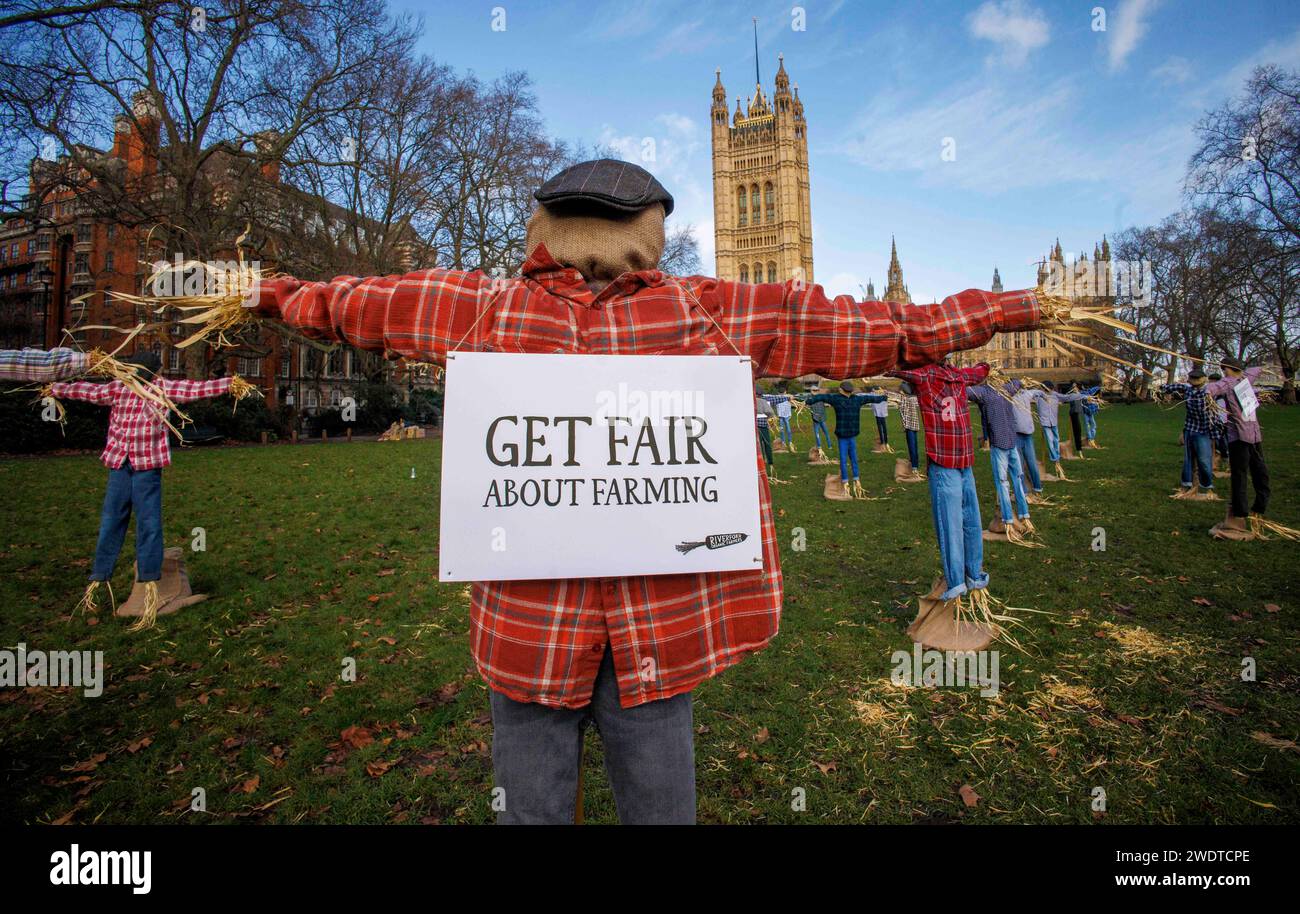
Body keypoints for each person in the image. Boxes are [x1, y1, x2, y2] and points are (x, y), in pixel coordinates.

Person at [220, 158, 1044, 824]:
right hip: (649, 633)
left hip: (545, 637)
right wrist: (1009, 309)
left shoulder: (481, 307)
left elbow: (351, 305)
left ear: (543, 229)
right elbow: (882, 329)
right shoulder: (706, 310)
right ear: (650, 232)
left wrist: (257, 293)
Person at [48, 352, 237, 628]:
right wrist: (57, 388)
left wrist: (230, 384)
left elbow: (194, 389)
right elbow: (88, 391)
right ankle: (100, 576)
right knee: (112, 519)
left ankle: (149, 581)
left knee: (149, 522)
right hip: (120, 463)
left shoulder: (162, 389)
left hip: (147, 466)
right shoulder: (119, 389)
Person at [890, 361, 990, 603]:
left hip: (943, 462)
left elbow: (892, 368)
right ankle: (974, 576)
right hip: (965, 459)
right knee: (972, 523)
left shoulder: (924, 375)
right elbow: (982, 371)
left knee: (950, 528)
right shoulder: (960, 375)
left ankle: (956, 583)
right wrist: (985, 364)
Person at [1206, 358, 1270, 536]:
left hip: (1242, 438)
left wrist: (1207, 391)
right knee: (1259, 473)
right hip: (1252, 437)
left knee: (1241, 475)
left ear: (1227, 369)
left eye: (1224, 369)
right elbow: (1255, 370)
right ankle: (1254, 507)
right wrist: (1265, 368)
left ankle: (1244, 510)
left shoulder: (1229, 381)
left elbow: (1210, 389)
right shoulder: (1246, 379)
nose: (1224, 372)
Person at [968, 379, 1034, 540]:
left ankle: (1008, 521)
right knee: (1018, 480)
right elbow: (1018, 382)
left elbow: (965, 390)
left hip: (999, 443)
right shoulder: (1007, 389)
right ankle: (1025, 516)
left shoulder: (983, 392)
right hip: (1012, 441)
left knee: (1002, 483)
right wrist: (1020, 381)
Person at [803, 381, 887, 497]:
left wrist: (808, 401)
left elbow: (822, 397)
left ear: (841, 390)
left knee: (843, 460)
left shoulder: (836, 399)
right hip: (852, 434)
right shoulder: (857, 399)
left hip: (842, 436)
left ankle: (845, 484)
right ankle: (857, 482)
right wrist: (884, 397)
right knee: (854, 459)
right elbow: (870, 398)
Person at [1159, 368, 1217, 499]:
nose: (1194, 381)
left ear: (1203, 379)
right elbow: (1172, 387)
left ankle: (1207, 488)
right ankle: (1186, 485)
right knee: (1188, 460)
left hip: (1204, 431)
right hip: (1189, 429)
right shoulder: (1188, 389)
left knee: (1203, 461)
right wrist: (1162, 387)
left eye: (1197, 378)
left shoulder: (1209, 391)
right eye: (1192, 378)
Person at [1031, 382, 1091, 477]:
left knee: (1056, 439)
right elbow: (1027, 395)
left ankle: (1057, 457)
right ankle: (1055, 459)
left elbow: (1068, 397)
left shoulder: (1055, 395)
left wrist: (1082, 396)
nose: (1048, 391)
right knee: (1050, 441)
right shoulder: (1038, 395)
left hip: (1054, 422)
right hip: (1045, 422)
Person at [1009, 381, 1044, 498]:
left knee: (1019, 463)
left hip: (1017, 434)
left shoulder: (1009, 397)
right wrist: (1045, 394)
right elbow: (1039, 391)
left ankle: (1023, 491)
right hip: (1027, 433)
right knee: (1031, 462)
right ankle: (1037, 488)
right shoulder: (1028, 394)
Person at [898, 380, 924, 479]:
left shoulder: (904, 400)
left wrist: (904, 426)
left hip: (909, 426)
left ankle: (914, 468)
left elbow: (903, 414)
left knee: (911, 446)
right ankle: (914, 464)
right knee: (915, 446)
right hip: (915, 426)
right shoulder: (913, 398)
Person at [806, 387, 832, 459]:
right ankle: (823, 446)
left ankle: (827, 445)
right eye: (814, 390)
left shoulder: (814, 397)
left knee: (823, 432)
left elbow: (825, 403)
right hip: (817, 418)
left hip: (820, 417)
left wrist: (827, 404)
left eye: (816, 390)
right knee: (820, 432)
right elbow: (807, 404)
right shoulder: (811, 397)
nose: (815, 392)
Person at [755, 386, 776, 473]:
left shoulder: (752, 401)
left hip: (756, 427)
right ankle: (770, 461)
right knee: (767, 444)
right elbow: (770, 412)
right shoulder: (763, 401)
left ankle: (761, 462)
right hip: (764, 426)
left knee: (759, 445)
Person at [869, 387, 892, 452]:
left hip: (879, 413)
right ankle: (885, 443)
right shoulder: (884, 393)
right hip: (882, 413)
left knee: (881, 428)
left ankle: (883, 444)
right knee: (883, 428)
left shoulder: (874, 394)